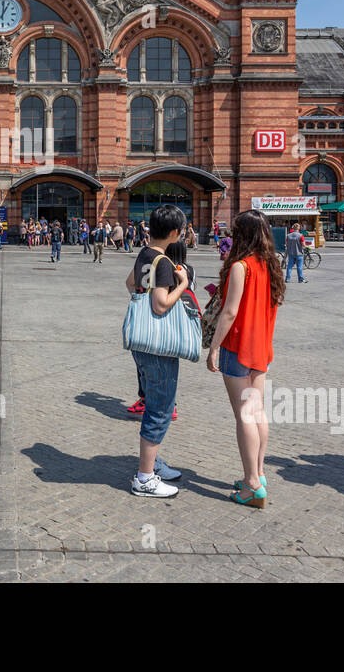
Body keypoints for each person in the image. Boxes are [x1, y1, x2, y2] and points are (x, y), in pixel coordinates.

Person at [204, 209, 284, 508]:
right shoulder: (270, 264)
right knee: (257, 411)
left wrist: (214, 347)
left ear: (243, 234)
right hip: (261, 347)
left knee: (244, 416)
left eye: (234, 230)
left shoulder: (241, 266)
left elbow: (230, 312)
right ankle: (259, 474)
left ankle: (251, 485)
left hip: (238, 346)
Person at [123, 204, 191, 498]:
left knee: (153, 403)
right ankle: (145, 477)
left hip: (142, 343)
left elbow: (130, 283)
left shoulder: (144, 254)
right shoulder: (163, 262)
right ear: (175, 233)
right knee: (160, 409)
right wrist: (183, 284)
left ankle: (152, 462)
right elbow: (160, 304)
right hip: (159, 347)